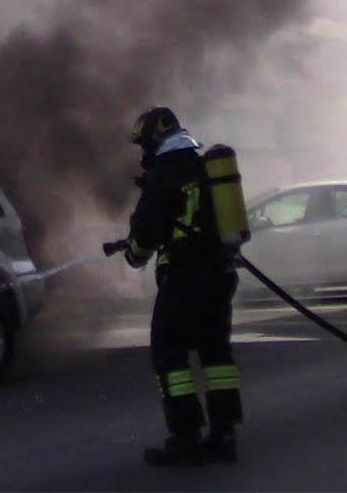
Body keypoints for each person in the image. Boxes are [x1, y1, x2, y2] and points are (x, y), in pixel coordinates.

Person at [105, 106, 242, 467]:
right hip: (221, 274)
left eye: (142, 145)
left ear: (153, 140)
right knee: (216, 355)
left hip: (185, 278)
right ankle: (224, 435)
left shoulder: (163, 175)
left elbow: (146, 235)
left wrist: (134, 254)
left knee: (170, 356)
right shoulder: (205, 168)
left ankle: (185, 438)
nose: (141, 154)